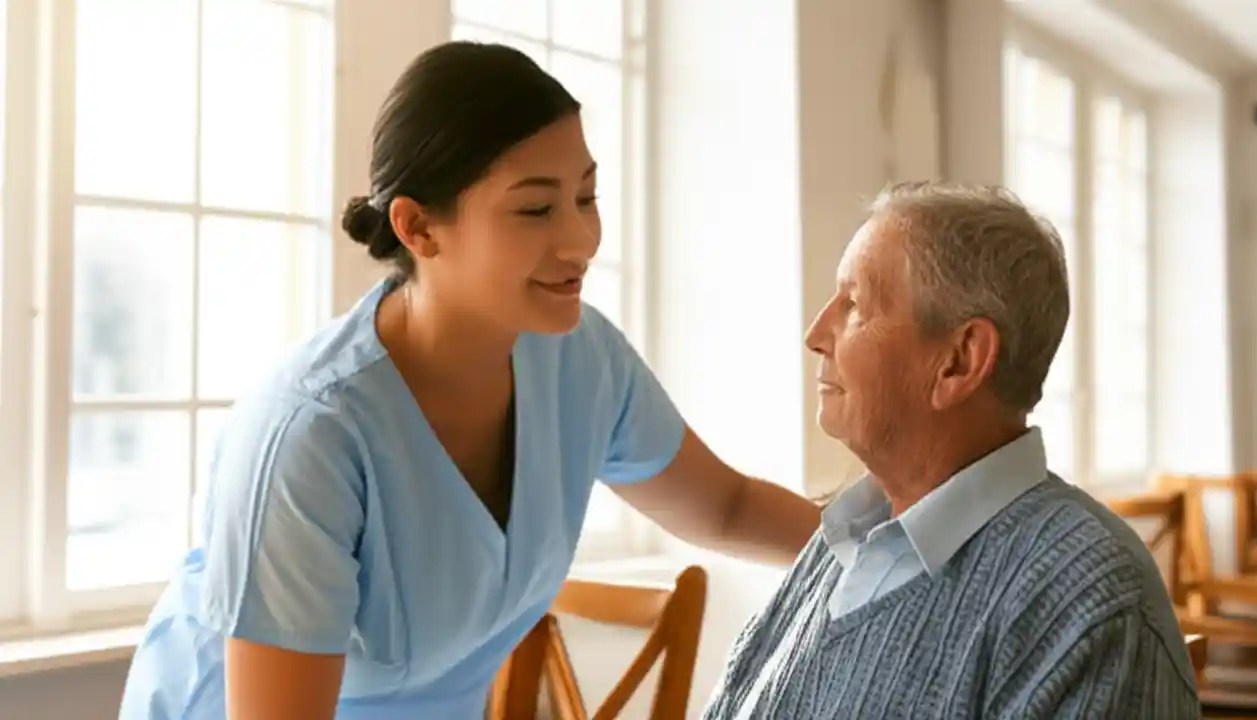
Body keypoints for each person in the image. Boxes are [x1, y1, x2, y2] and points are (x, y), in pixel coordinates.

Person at [118, 41, 819, 720]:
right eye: (536, 209)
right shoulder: (311, 436)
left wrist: (876, 546)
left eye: (586, 196)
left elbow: (726, 508)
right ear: (419, 228)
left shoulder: (581, 360)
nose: (581, 240)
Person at [702, 183, 1200, 719]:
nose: (816, 334)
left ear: (960, 361)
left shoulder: (1090, 600)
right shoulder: (843, 542)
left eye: (855, 305)